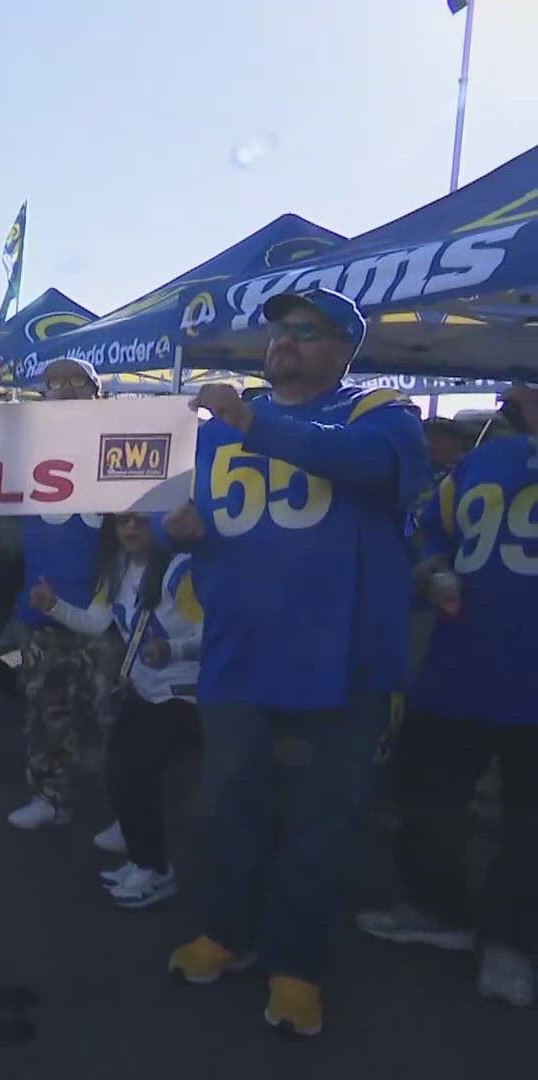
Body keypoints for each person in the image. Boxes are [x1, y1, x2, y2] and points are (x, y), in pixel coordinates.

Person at [162, 288, 429, 1038]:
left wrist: (251, 420)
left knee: (319, 828)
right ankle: (228, 930)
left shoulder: (382, 415)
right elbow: (174, 516)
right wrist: (171, 531)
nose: (285, 342)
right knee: (230, 812)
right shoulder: (218, 429)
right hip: (240, 659)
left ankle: (298, 964)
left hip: (341, 668)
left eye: (308, 333)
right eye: (279, 331)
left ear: (345, 350)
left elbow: (366, 468)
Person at [356, 382, 537, 1009]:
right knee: (424, 800)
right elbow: (434, 532)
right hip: (459, 673)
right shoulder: (486, 461)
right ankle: (441, 911)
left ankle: (513, 941)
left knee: (529, 825)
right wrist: (433, 571)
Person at [33, 513, 202, 909]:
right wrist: (53, 606)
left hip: (189, 694)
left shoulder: (182, 571)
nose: (130, 529)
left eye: (141, 521)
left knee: (134, 768)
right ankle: (143, 858)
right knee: (119, 767)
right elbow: (96, 622)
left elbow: (213, 629)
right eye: (123, 521)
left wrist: (172, 650)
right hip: (145, 689)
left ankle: (157, 870)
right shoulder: (117, 568)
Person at [0, 356, 112, 831]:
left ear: (95, 392)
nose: (64, 389)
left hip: (109, 616)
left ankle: (124, 814)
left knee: (110, 720)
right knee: (47, 717)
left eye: (75, 381)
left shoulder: (120, 439)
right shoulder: (27, 446)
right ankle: (49, 798)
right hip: (43, 612)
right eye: (53, 383)